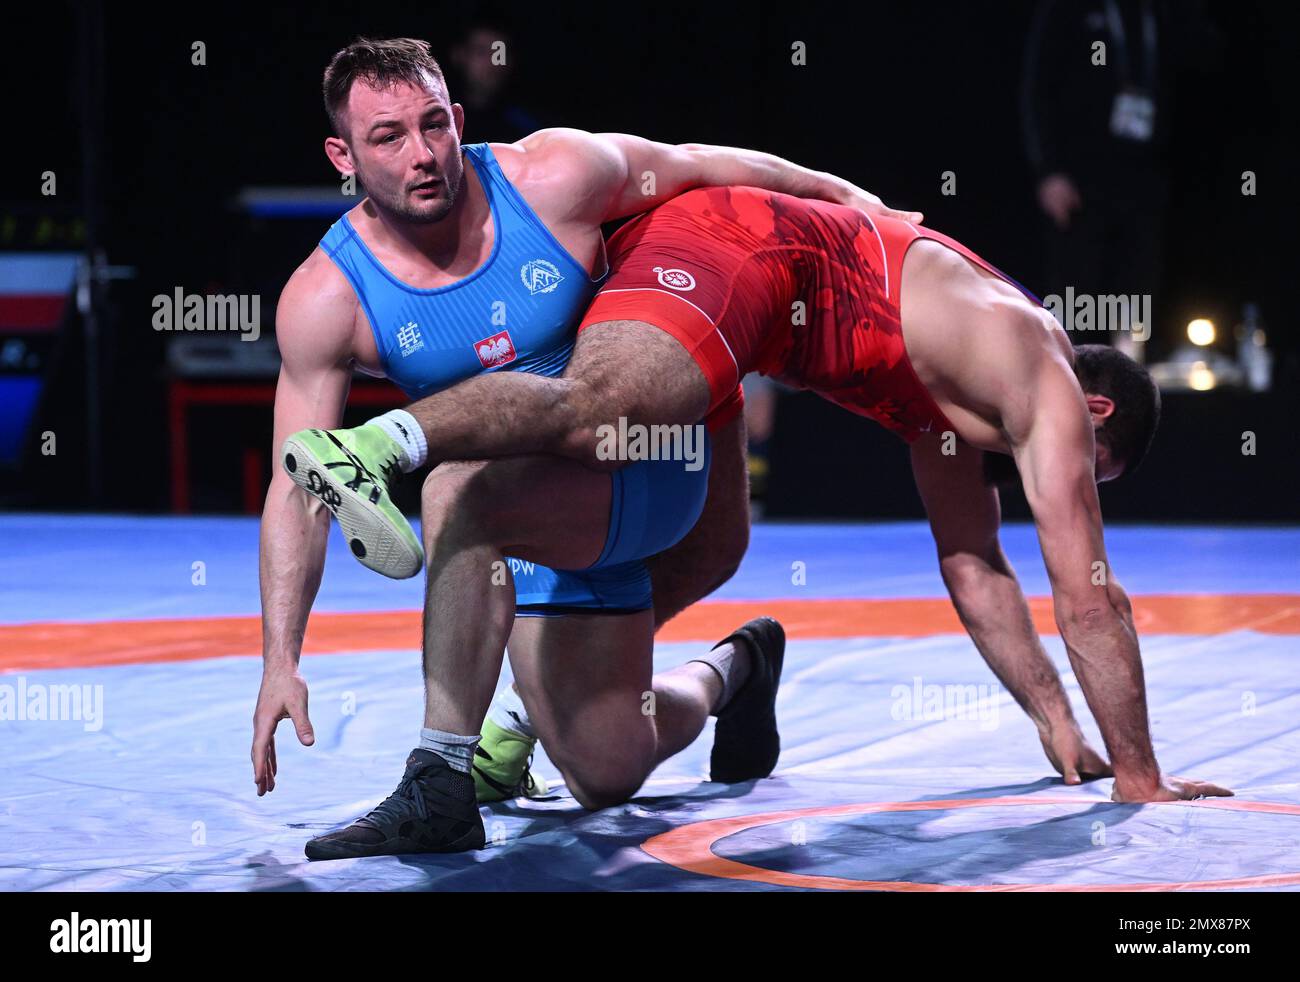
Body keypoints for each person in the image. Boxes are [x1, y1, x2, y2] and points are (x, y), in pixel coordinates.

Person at [291, 184, 1233, 858]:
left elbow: (975, 564)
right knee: (591, 403)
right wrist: (1139, 775)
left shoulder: (964, 408)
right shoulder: (1039, 367)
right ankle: (383, 449)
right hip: (740, 257)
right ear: (1098, 416)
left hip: (742, 338)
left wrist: (1057, 720)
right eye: (1090, 477)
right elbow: (1088, 591)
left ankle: (713, 673)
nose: (1064, 484)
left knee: (702, 570)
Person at [249, 35, 919, 858]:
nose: (422, 155)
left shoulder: (550, 176)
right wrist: (280, 659)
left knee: (454, 488)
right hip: (542, 513)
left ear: (459, 119)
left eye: (434, 126)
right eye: (388, 138)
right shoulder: (324, 298)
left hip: (650, 456)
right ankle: (732, 671)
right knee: (605, 767)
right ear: (342, 155)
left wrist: (852, 201)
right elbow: (300, 484)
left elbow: (704, 164)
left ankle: (440, 784)